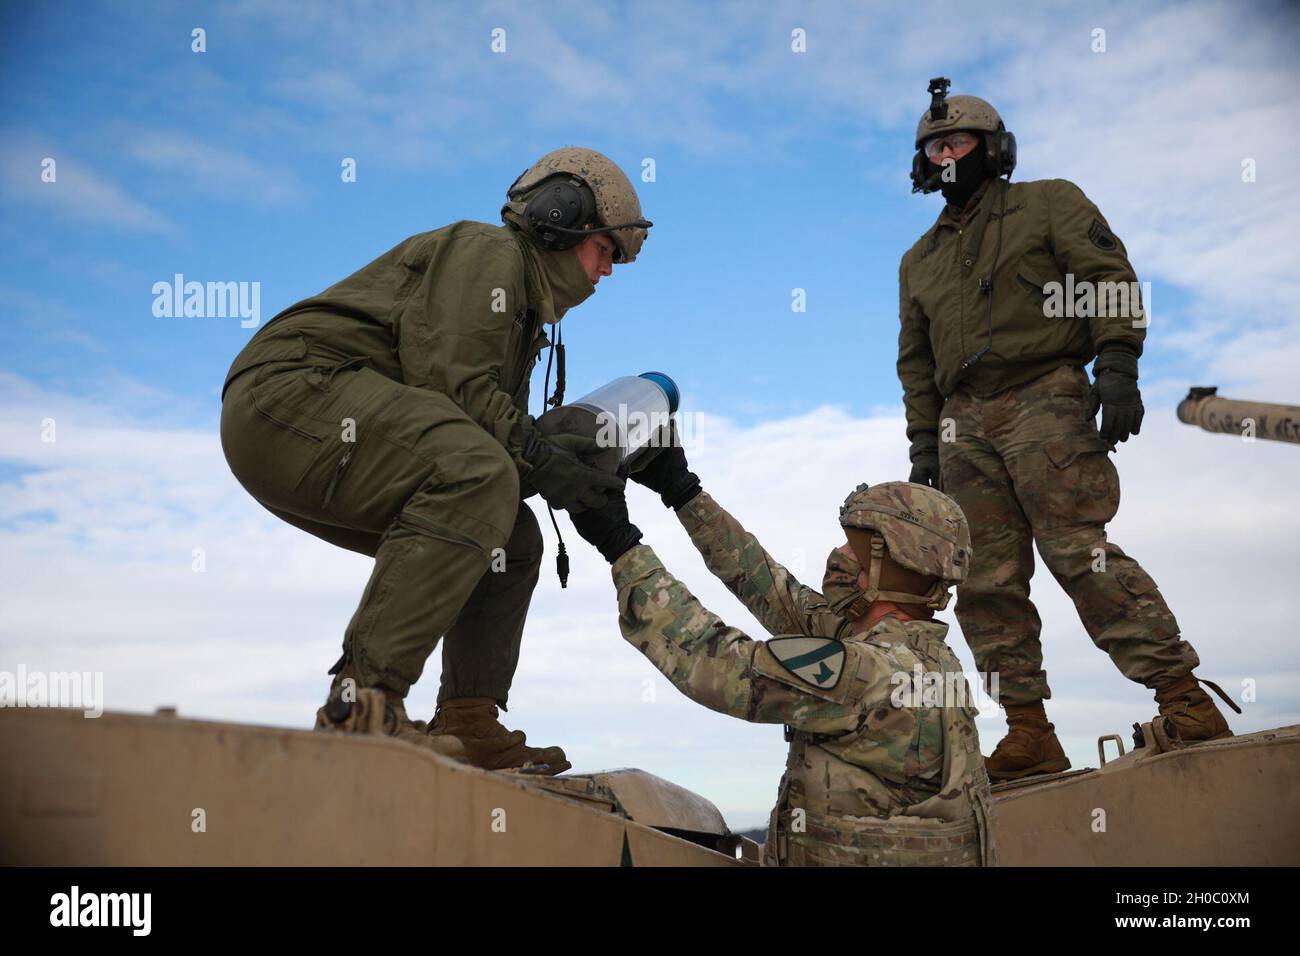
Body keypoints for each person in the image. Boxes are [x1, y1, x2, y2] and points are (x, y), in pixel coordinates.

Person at [219, 147, 651, 773]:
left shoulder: (523, 318)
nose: (607, 273)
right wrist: (540, 457)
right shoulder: (489, 253)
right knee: (475, 474)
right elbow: (456, 391)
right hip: (290, 396)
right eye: (606, 251)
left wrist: (560, 461)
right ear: (562, 217)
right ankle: (362, 705)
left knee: (512, 533)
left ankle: (469, 720)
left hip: (310, 424)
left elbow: (489, 435)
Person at [897, 82, 1237, 780]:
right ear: (924, 164)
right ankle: (1030, 734)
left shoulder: (1048, 202)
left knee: (1081, 553)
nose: (947, 154)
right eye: (936, 146)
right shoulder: (918, 259)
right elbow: (916, 361)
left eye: (959, 142)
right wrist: (925, 446)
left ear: (992, 151)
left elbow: (1108, 277)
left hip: (1044, 392)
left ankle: (1183, 698)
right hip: (965, 422)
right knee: (986, 582)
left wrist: (1117, 365)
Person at [568, 441, 996, 866]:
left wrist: (621, 546)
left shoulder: (870, 674)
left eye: (858, 549)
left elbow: (714, 661)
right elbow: (775, 592)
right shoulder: (924, 658)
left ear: (891, 565)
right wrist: (684, 493)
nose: (840, 557)